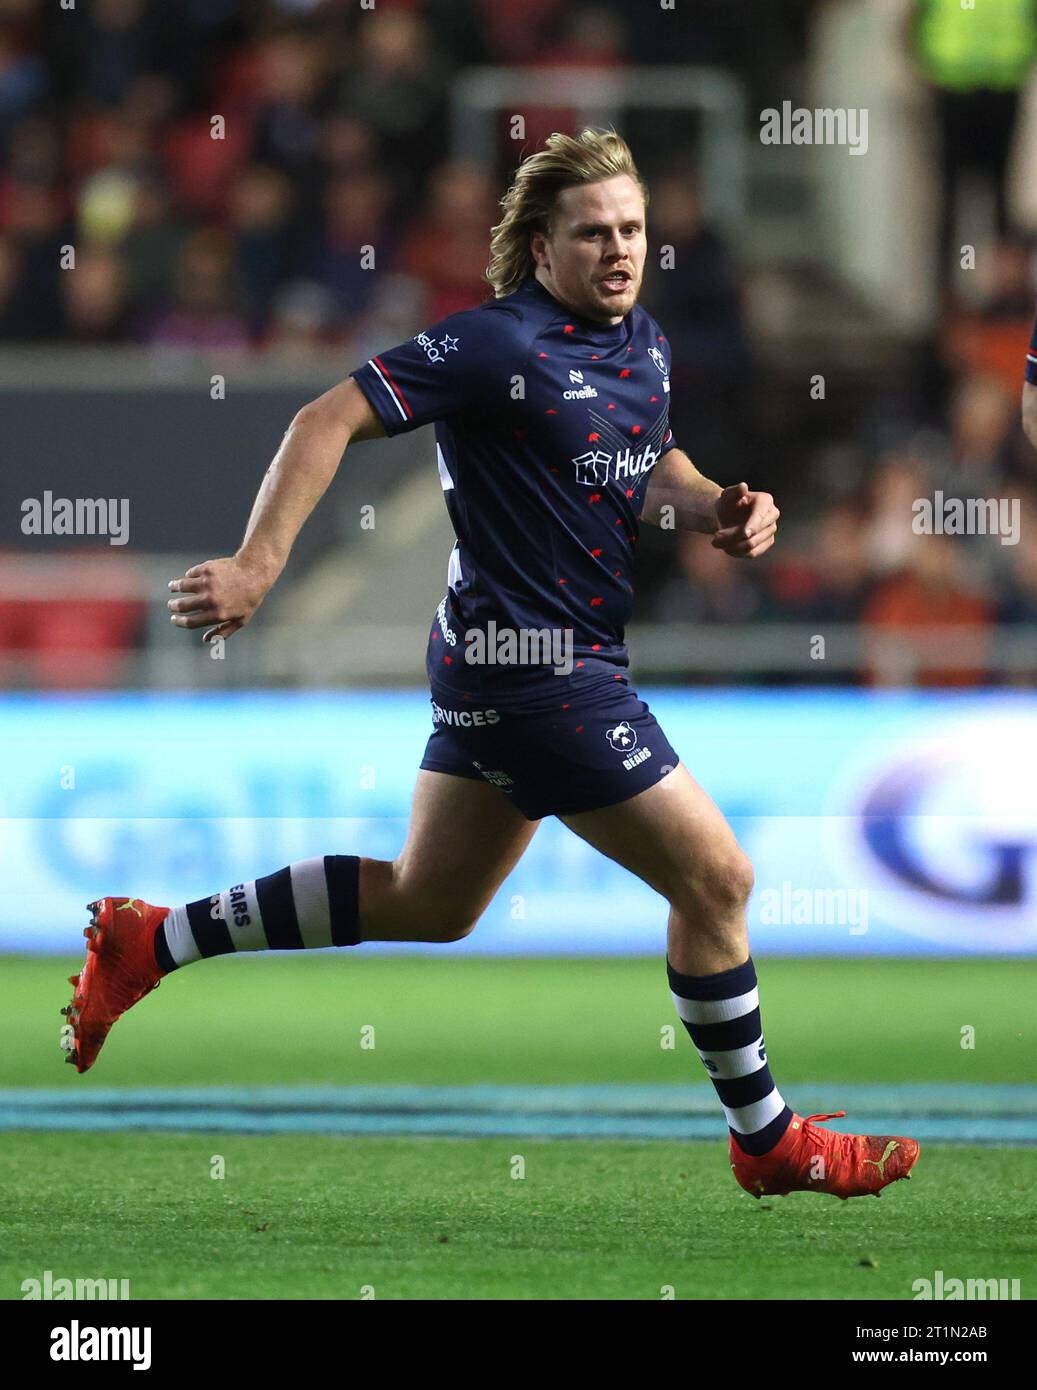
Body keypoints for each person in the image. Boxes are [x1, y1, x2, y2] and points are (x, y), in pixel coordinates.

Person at [63, 130, 918, 1201]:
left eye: (631, 230)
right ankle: (767, 1139)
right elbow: (322, 416)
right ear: (542, 247)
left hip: (522, 664)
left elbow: (649, 462)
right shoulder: (495, 345)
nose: (618, 250)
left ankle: (154, 940)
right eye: (593, 233)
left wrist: (717, 506)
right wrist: (256, 564)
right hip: (536, 675)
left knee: (431, 900)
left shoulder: (642, 342)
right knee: (719, 878)